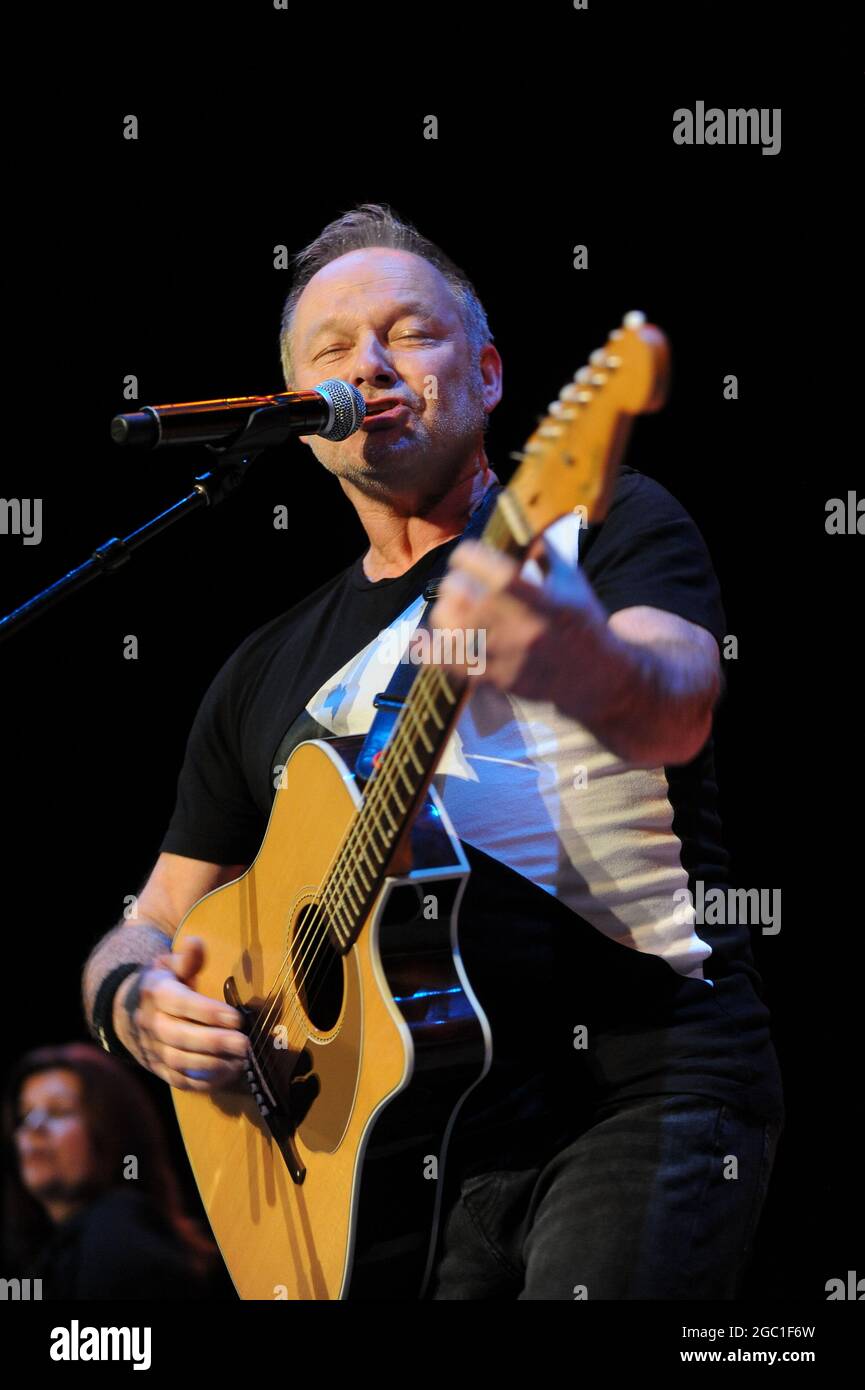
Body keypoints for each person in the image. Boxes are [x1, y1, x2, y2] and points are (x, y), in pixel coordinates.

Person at [80, 202, 784, 1300]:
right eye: (333, 351)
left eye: (410, 333)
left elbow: (676, 704)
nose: (369, 363)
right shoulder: (260, 670)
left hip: (637, 1089)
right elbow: (150, 923)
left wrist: (572, 654)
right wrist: (131, 1002)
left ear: (491, 377)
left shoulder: (599, 525)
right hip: (404, 1155)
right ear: (301, 416)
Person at [2, 1042, 223, 1298]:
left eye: (58, 1111)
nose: (33, 1128)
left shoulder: (116, 1231)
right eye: (25, 1114)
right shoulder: (49, 1254)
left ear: (113, 1129)